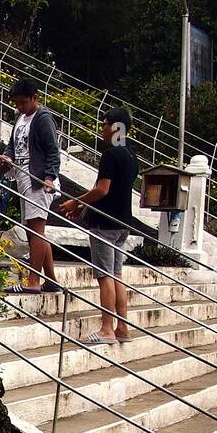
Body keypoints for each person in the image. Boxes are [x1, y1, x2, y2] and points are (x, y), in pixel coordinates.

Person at [59, 106, 139, 344]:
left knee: (104, 276)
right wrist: (85, 208)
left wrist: (76, 202)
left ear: (115, 127)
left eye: (104, 124)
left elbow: (103, 189)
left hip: (105, 224)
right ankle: (122, 327)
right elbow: (113, 192)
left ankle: (107, 328)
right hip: (123, 221)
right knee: (116, 274)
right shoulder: (131, 155)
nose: (102, 129)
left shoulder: (110, 155)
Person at [1, 77, 61, 293]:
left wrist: (49, 177)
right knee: (35, 230)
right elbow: (12, 144)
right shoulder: (21, 118)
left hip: (37, 179)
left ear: (35, 97)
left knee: (35, 230)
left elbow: (53, 151)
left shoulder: (43, 118)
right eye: (16, 103)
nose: (19, 107)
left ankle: (33, 281)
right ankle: (51, 280)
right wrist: (8, 156)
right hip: (23, 175)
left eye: (23, 103)